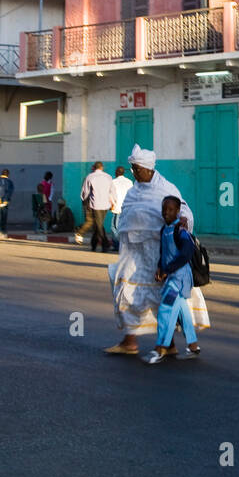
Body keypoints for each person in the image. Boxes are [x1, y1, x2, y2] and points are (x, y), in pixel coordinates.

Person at [103, 145, 193, 355]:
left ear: (148, 168)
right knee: (126, 292)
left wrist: (183, 221)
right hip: (133, 254)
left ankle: (168, 342)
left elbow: (184, 211)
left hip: (158, 255)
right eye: (132, 169)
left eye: (136, 169)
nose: (134, 173)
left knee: (160, 298)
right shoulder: (134, 190)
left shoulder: (166, 189)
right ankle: (130, 340)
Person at [143, 196, 202, 364]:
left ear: (177, 211)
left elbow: (186, 253)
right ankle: (193, 345)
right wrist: (161, 269)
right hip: (171, 277)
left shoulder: (180, 230)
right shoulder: (165, 229)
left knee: (166, 311)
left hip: (180, 279)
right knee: (183, 312)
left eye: (170, 210)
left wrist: (168, 269)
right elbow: (164, 252)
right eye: (164, 209)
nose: (166, 213)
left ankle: (160, 349)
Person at [77, 161, 114, 251]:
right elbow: (112, 191)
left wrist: (84, 200)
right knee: (98, 224)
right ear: (102, 167)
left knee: (98, 225)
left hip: (95, 204)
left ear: (94, 167)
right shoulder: (108, 177)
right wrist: (113, 202)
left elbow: (85, 193)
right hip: (105, 205)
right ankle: (94, 244)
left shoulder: (90, 177)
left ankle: (105, 244)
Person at [108, 166, 131, 252]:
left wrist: (111, 205)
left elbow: (111, 195)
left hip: (117, 207)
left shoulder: (113, 182)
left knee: (114, 227)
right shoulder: (129, 182)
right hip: (127, 208)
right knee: (124, 226)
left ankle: (117, 245)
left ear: (117, 172)